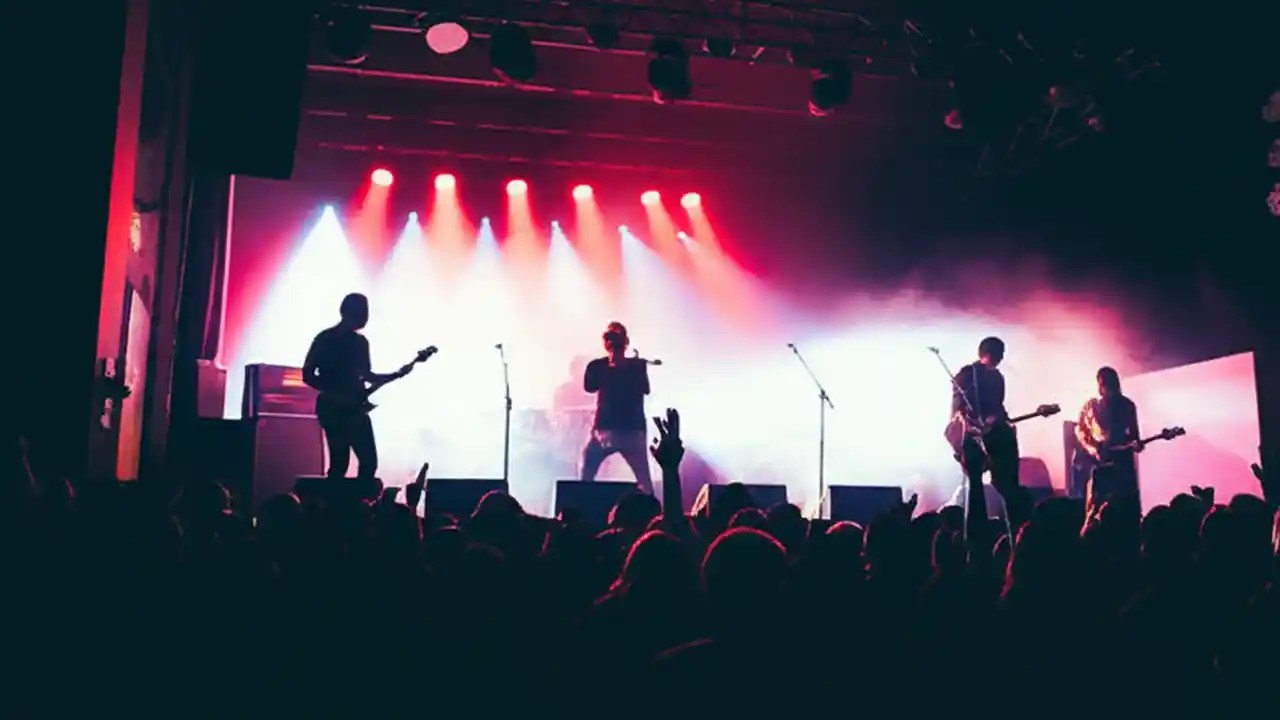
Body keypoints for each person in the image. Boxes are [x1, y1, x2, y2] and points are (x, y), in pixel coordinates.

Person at [302, 293, 403, 481]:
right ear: (346, 312)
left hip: (352, 409)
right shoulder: (325, 339)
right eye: (361, 312)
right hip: (333, 409)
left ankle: (358, 504)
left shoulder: (360, 342)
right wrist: (334, 394)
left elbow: (367, 375)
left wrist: (395, 375)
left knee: (368, 461)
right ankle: (338, 506)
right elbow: (307, 375)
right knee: (340, 463)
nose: (365, 317)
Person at [949, 336, 1026, 541]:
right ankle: (975, 545)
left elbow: (998, 406)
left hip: (995, 436)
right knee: (975, 488)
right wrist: (970, 429)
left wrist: (1000, 420)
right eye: (998, 353)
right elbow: (958, 410)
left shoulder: (998, 377)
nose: (1000, 358)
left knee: (1006, 485)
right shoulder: (967, 374)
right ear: (987, 353)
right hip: (973, 437)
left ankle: (1015, 538)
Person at [579, 322, 653, 493]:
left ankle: (580, 504)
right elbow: (589, 386)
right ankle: (654, 510)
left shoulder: (635, 366)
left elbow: (645, 389)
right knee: (643, 477)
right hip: (611, 431)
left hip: (623, 430)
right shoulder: (599, 366)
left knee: (587, 470)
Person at [1075, 366, 1143, 517]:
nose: (1110, 389)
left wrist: (1135, 445)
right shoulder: (1091, 407)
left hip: (1122, 469)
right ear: (1100, 386)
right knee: (1097, 510)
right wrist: (1095, 450)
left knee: (1125, 511)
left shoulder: (1127, 406)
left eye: (1113, 384)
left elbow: (1134, 437)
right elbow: (1081, 432)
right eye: (1105, 384)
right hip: (1099, 469)